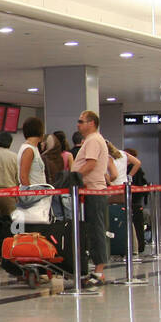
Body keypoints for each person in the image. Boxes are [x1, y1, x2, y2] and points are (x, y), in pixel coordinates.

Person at [73, 110, 111, 286]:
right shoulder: (92, 140)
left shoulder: (94, 140)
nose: (78, 124)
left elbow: (91, 164)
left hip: (94, 191)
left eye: (81, 121)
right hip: (90, 190)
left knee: (97, 230)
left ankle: (99, 271)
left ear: (91, 123)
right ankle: (96, 269)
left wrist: (73, 176)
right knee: (93, 229)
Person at [0, 131, 19, 228]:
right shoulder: (15, 157)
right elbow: (18, 179)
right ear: (10, 143)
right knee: (13, 226)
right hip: (9, 196)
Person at [125, 147, 149, 254]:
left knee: (135, 222)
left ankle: (137, 245)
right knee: (137, 222)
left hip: (133, 198)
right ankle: (139, 245)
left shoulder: (132, 169)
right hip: (136, 198)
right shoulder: (137, 169)